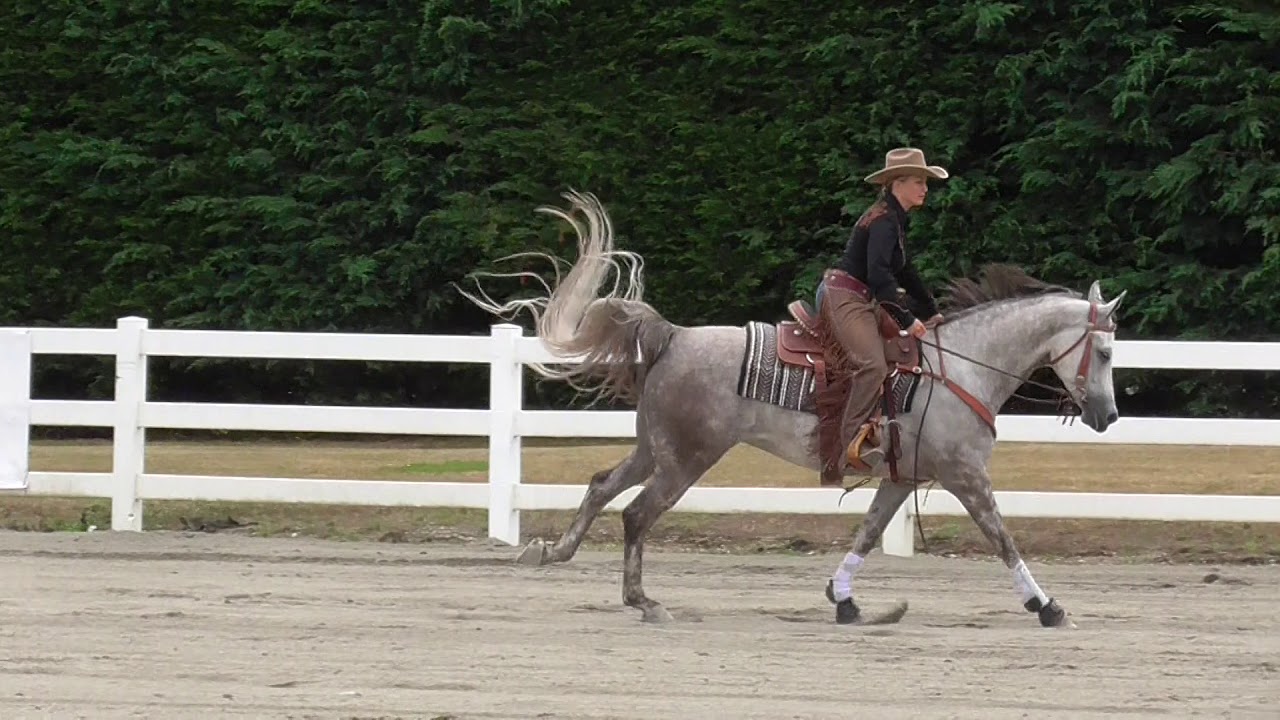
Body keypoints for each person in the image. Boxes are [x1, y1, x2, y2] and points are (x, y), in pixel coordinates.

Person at [816, 147, 947, 480]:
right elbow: (879, 276)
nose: (925, 188)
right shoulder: (885, 220)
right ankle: (845, 452)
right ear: (896, 184)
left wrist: (931, 309)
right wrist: (909, 320)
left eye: (925, 182)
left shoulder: (894, 219)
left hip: (860, 298)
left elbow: (904, 272)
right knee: (872, 365)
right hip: (845, 297)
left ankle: (879, 429)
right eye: (918, 181)